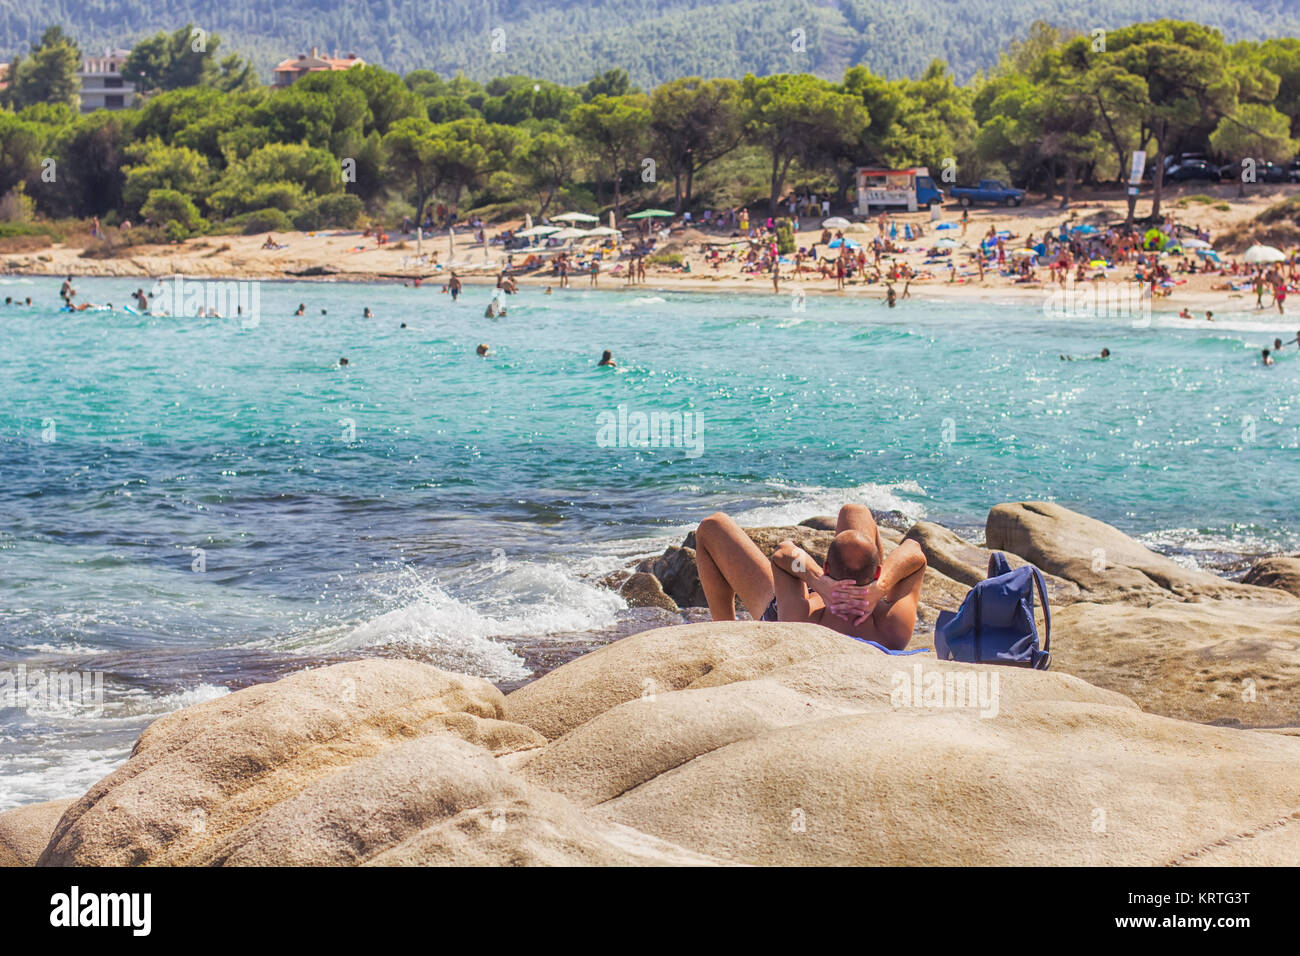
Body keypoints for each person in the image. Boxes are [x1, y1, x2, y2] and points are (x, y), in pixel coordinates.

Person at [693, 505, 927, 651]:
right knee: (853, 511)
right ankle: (863, 569)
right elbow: (914, 551)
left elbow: (784, 553)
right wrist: (879, 587)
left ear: (826, 567)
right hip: (857, 616)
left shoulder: (800, 616)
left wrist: (818, 581)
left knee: (712, 526)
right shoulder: (893, 627)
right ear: (877, 571)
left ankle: (725, 631)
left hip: (785, 618)